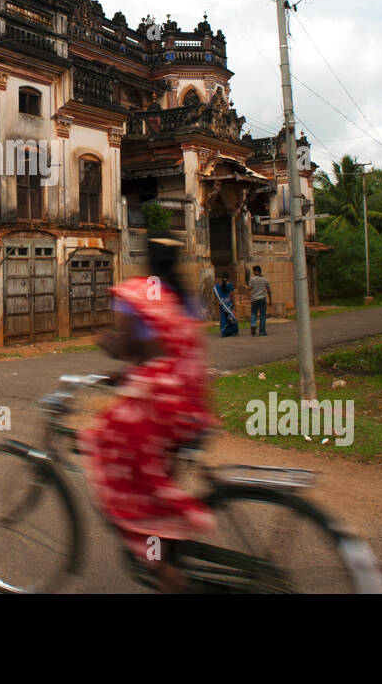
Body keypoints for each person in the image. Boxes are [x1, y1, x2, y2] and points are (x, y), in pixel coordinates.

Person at [84, 238, 215, 593]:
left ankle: (163, 570)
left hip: (161, 409)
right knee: (159, 483)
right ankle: (166, 546)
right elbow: (164, 355)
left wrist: (105, 341)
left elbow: (131, 350)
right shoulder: (182, 299)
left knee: (104, 448)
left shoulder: (141, 295)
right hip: (193, 405)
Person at [248, 265, 270, 336]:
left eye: (253, 271)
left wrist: (248, 290)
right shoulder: (265, 280)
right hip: (262, 299)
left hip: (254, 299)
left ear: (256, 271)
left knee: (254, 313)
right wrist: (270, 300)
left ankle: (253, 324)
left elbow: (250, 288)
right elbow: (269, 290)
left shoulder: (252, 279)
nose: (253, 272)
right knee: (262, 315)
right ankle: (262, 331)